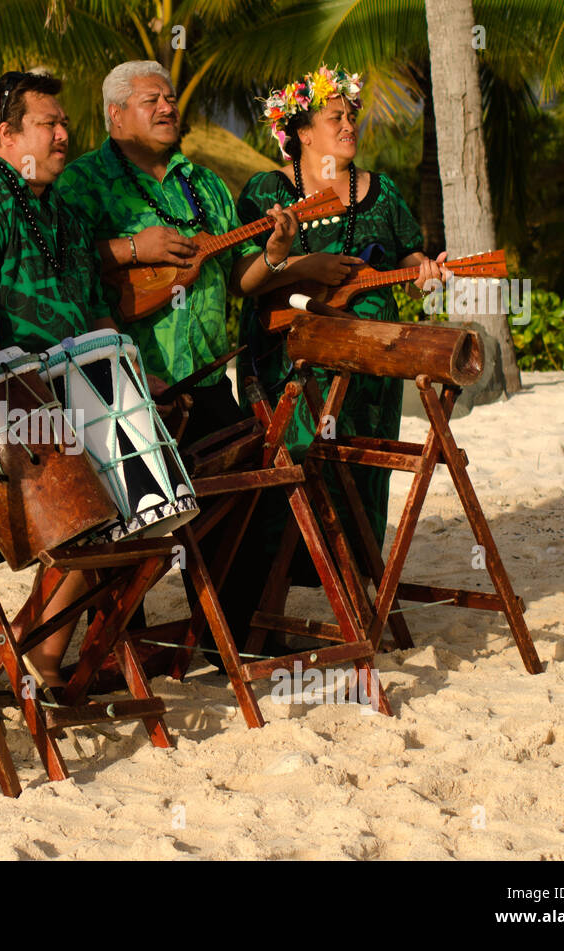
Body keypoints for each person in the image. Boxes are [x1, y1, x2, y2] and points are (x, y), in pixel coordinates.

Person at [54, 61, 297, 657]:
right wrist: (135, 248)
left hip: (209, 374)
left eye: (169, 98)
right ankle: (110, 651)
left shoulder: (204, 184)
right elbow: (64, 261)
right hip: (131, 385)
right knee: (136, 519)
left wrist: (277, 251)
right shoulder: (81, 184)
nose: (167, 107)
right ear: (115, 116)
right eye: (150, 100)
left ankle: (232, 642)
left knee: (243, 496)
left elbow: (240, 279)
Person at [0, 70, 122, 698]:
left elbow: (93, 309)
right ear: (8, 133)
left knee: (113, 513)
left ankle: (37, 657)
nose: (65, 133)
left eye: (65, 122)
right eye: (50, 123)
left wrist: (116, 380)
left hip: (68, 396)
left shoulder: (61, 209)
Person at [233, 65, 449, 629]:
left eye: (352, 114)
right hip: (288, 359)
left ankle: (354, 611)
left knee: (360, 470)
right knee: (289, 472)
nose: (350, 123)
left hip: (370, 360)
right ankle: (266, 617)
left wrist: (422, 269)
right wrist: (306, 265)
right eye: (337, 116)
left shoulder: (383, 193)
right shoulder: (267, 192)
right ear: (303, 131)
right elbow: (246, 275)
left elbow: (404, 255)